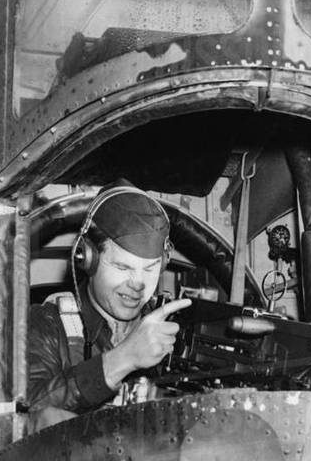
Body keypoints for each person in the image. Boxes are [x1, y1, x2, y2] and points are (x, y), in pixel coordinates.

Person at [26, 185, 190, 431]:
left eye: (150, 268)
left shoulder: (176, 333)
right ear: (87, 258)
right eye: (123, 268)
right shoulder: (46, 323)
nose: (137, 284)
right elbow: (30, 413)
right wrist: (125, 358)